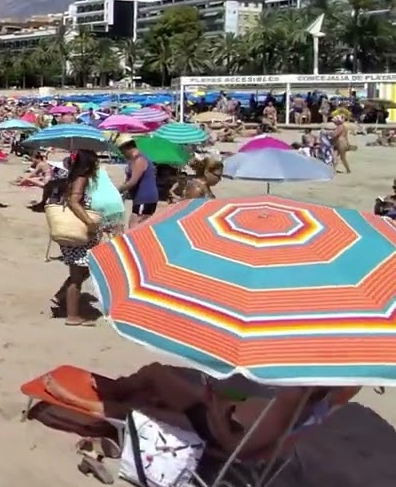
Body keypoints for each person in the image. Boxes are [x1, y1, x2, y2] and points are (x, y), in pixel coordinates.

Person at [43, 363, 344, 455]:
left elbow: (234, 446)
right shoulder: (316, 399)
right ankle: (116, 389)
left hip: (212, 428)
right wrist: (225, 401)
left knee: (138, 410)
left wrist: (215, 408)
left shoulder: (291, 402)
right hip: (221, 415)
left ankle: (80, 401)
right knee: (156, 374)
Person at [55, 150, 101, 327]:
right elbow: (74, 202)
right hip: (78, 231)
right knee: (77, 275)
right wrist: (89, 222)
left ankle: (61, 297)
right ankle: (72, 315)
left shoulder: (72, 177)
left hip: (72, 231)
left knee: (82, 271)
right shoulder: (81, 178)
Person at [116, 135, 158, 229]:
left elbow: (133, 181)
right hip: (146, 197)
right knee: (144, 225)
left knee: (134, 225)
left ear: (126, 148)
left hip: (144, 197)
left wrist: (117, 190)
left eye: (122, 152)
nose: (123, 154)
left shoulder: (139, 159)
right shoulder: (137, 159)